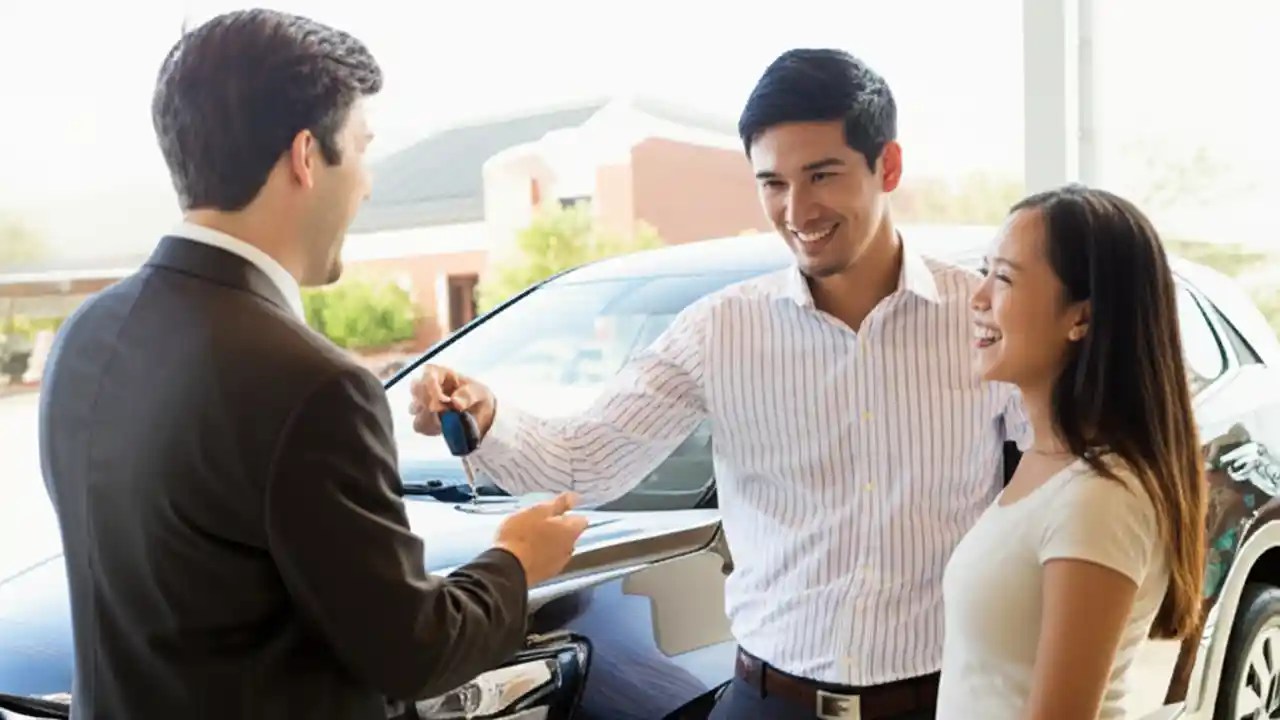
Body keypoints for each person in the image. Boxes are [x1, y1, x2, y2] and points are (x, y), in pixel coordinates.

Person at [410, 48, 1027, 719]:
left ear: (889, 166)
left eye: (822, 174)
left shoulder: (987, 318)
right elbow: (583, 462)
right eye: (773, 183)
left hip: (946, 702)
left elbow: (1083, 476)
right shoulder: (719, 331)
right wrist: (485, 411)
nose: (797, 208)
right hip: (766, 703)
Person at [37, 9, 587, 719]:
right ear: (305, 156)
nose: (365, 184)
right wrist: (516, 559)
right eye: (361, 149)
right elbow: (412, 650)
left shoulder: (86, 332)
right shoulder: (312, 386)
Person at [937, 185, 1207, 719]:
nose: (978, 297)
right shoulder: (1046, 463)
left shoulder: (1099, 497)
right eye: (986, 271)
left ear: (1080, 317)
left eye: (1005, 278)